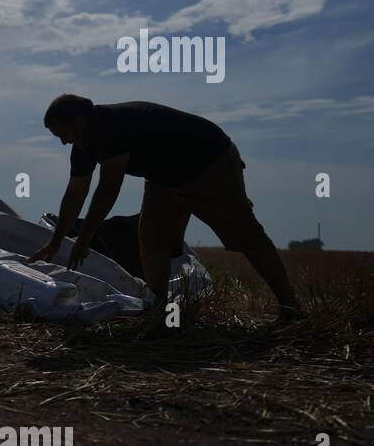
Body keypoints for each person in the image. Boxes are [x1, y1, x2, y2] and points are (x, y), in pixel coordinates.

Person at [27, 95, 303, 322]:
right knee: (152, 240)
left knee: (246, 236)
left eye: (64, 135)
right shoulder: (83, 144)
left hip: (209, 164)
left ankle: (291, 309)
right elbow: (75, 194)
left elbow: (108, 188)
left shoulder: (112, 126)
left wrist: (85, 237)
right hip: (163, 179)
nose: (64, 143)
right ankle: (158, 311)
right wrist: (56, 241)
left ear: (80, 121)